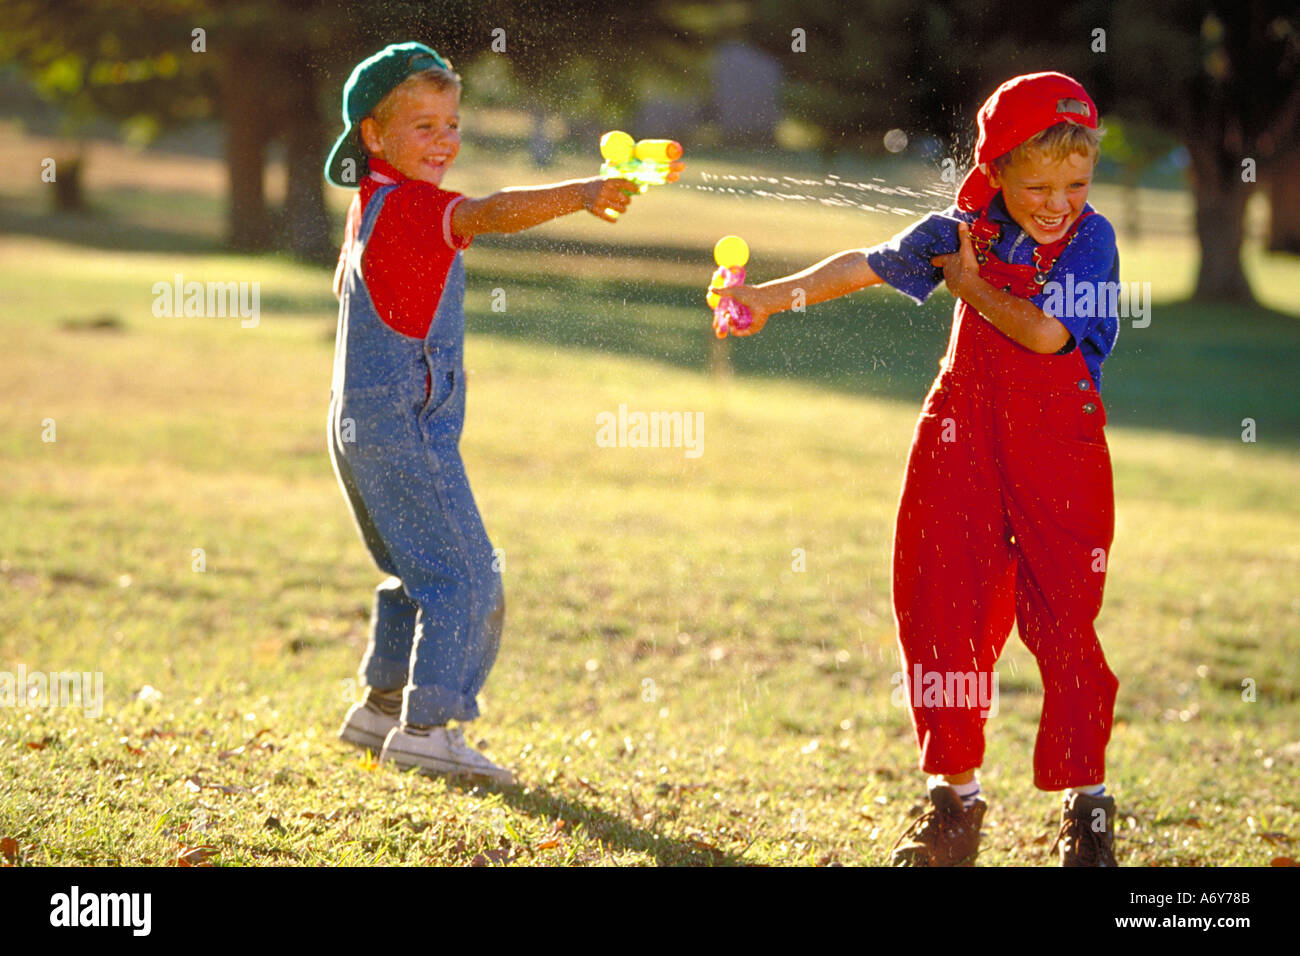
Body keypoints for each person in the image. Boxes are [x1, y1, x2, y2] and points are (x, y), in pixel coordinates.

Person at [716, 72, 1122, 865]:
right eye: (1037, 186)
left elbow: (1046, 336)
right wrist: (766, 297)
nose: (1057, 203)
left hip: (1056, 448)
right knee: (939, 603)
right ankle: (954, 804)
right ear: (995, 169)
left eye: (1075, 184)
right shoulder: (958, 228)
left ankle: (1088, 809)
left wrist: (967, 285)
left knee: (1064, 621)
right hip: (958, 438)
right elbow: (860, 266)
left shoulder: (1091, 240)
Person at [326, 42, 680, 784]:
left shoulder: (370, 206)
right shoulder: (415, 207)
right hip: (403, 424)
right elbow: (486, 213)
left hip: (356, 425)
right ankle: (428, 729)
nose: (444, 141)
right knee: (468, 576)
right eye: (424, 127)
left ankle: (380, 711)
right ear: (374, 136)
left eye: (452, 124)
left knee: (415, 571)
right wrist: (581, 193)